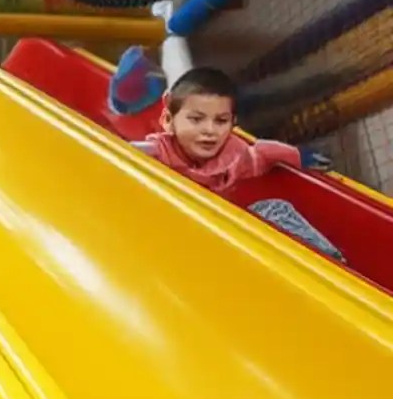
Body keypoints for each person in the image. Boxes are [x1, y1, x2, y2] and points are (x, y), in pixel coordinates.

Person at [132, 67, 345, 262]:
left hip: (219, 234)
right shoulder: (162, 150)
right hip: (173, 233)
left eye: (220, 121)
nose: (209, 130)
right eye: (196, 120)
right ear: (169, 120)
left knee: (274, 209)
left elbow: (262, 154)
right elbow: (133, 151)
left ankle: (330, 262)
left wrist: (299, 156)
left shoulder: (232, 155)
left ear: (233, 123)